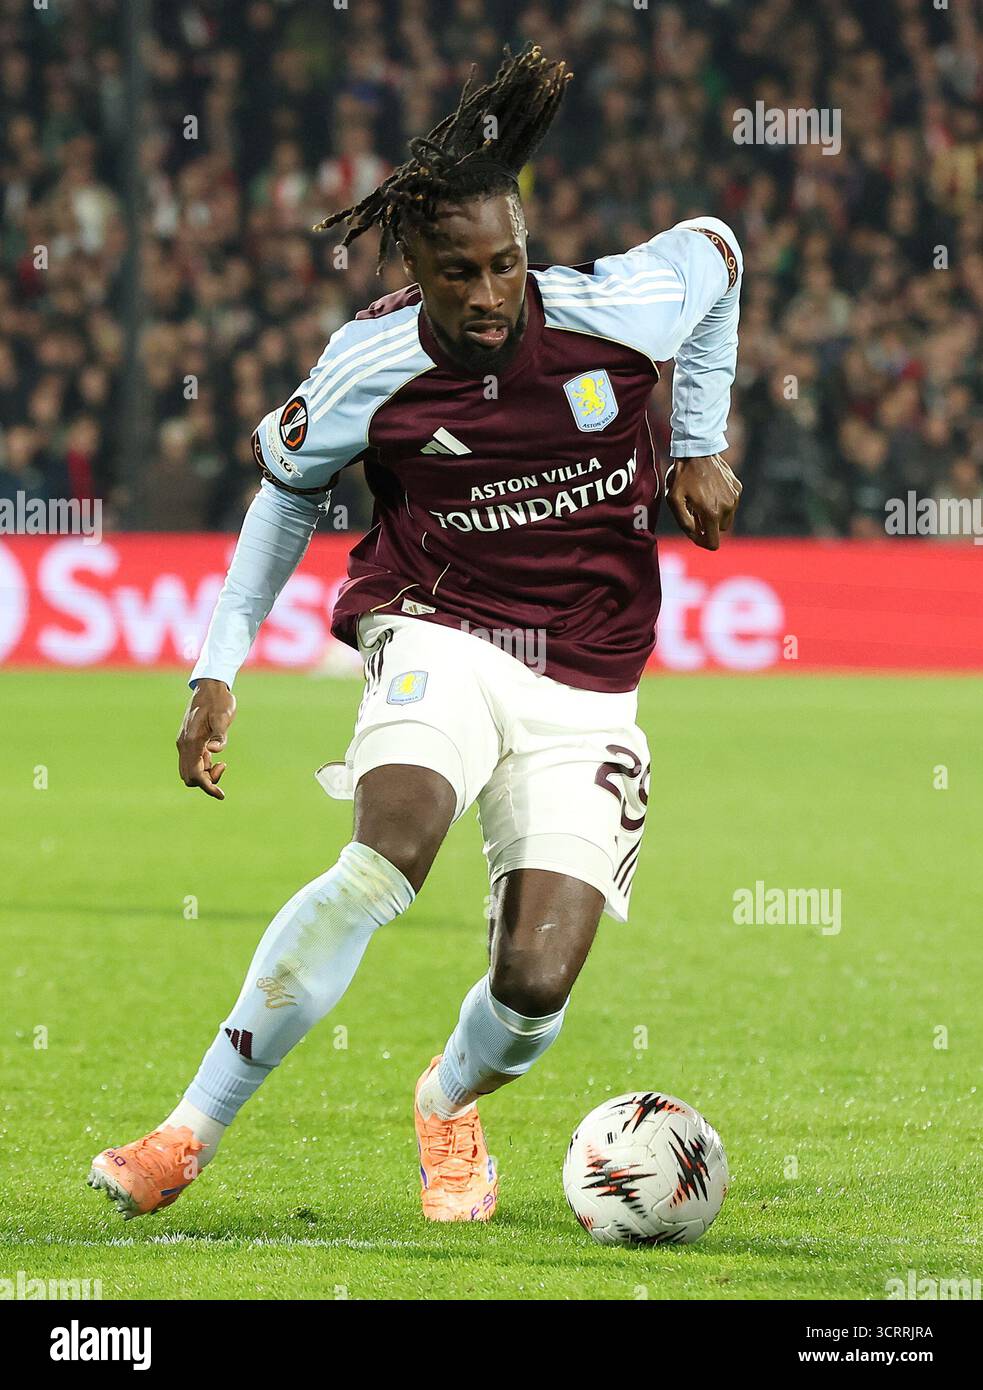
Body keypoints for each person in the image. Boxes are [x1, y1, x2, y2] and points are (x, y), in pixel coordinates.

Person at [88, 45, 742, 1225]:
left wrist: (696, 440)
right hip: (437, 627)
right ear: (415, 272)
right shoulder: (369, 361)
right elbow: (287, 490)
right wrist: (216, 668)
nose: (488, 294)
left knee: (533, 991)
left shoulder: (618, 312)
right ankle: (187, 1131)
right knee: (382, 855)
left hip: (588, 678)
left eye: (504, 264)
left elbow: (719, 248)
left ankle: (446, 1099)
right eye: (458, 274)